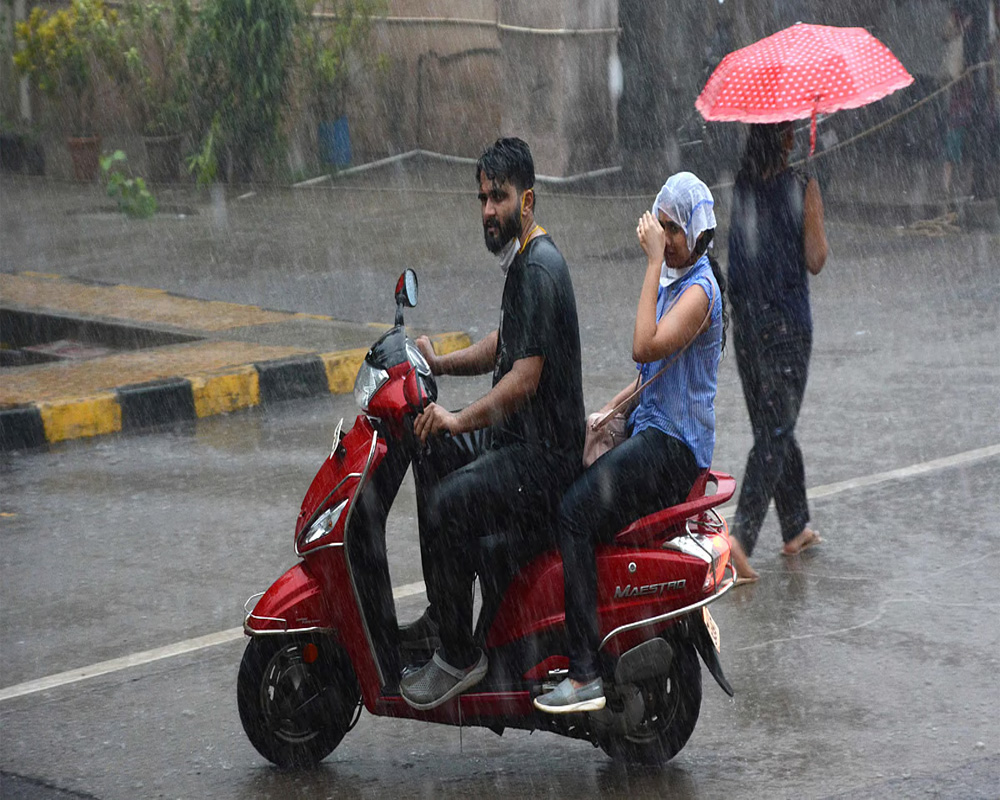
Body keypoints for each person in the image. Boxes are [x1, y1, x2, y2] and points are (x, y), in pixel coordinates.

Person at [398, 137, 585, 711]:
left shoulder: (540, 269)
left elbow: (523, 378)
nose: (487, 210)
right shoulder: (525, 260)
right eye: (481, 197)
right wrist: (437, 364)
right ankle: (447, 611)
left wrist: (457, 419)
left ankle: (459, 655)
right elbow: (505, 344)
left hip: (544, 458)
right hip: (519, 442)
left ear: (527, 201)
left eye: (498, 197)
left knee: (445, 505)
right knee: (427, 446)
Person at [534, 172, 725, 713]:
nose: (664, 240)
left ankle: (585, 670)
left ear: (695, 235)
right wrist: (608, 414)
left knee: (574, 514)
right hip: (651, 431)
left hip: (673, 450)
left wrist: (649, 263)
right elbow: (651, 375)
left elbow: (643, 343)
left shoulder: (698, 292)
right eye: (659, 227)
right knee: (562, 479)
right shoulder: (676, 280)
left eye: (673, 231)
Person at [725, 122, 828, 584]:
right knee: (775, 430)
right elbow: (816, 258)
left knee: (773, 425)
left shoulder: (743, 185)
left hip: (748, 326)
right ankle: (739, 540)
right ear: (787, 137)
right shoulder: (801, 186)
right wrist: (814, 198)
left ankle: (795, 525)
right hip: (787, 326)